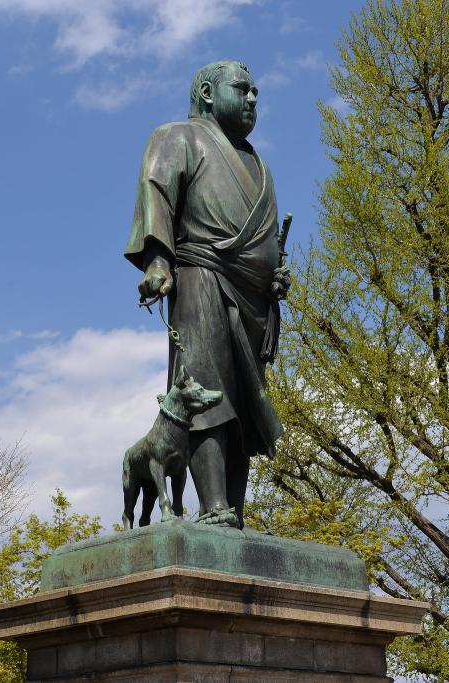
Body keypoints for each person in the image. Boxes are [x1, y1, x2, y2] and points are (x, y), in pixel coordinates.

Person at [124, 60, 289, 529]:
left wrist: (274, 275)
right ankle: (214, 504)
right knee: (205, 386)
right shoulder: (176, 137)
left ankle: (233, 511)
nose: (253, 98)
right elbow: (157, 192)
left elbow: (261, 236)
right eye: (243, 89)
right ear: (208, 93)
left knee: (246, 405)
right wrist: (159, 260)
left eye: (256, 92)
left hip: (254, 299)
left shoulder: (259, 164)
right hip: (200, 275)